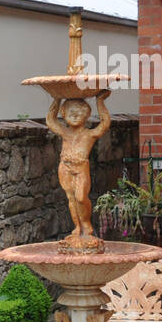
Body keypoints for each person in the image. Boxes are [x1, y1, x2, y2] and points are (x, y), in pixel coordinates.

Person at [46, 89, 111, 249]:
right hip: (65, 166)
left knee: (81, 197)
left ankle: (87, 225)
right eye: (70, 112)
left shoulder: (89, 134)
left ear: (87, 115)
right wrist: (56, 99)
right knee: (71, 198)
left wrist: (100, 102)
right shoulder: (65, 131)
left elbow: (104, 124)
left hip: (81, 167)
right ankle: (78, 228)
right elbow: (50, 121)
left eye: (79, 112)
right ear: (64, 114)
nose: (74, 115)